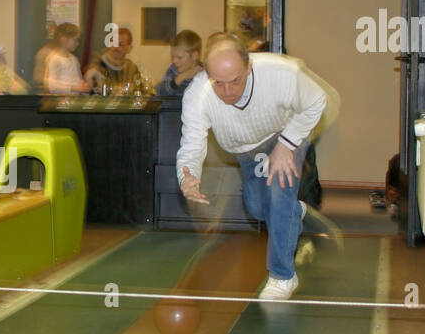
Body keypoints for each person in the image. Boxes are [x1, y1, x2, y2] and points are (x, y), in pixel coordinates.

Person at [176, 32, 337, 301]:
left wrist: (286, 145)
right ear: (207, 74)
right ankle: (293, 211)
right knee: (259, 208)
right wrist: (187, 176)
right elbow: (192, 144)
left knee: (278, 191)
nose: (228, 92)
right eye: (219, 83)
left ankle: (282, 277)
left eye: (235, 81)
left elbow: (317, 101)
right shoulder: (197, 94)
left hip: (286, 133)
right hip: (246, 150)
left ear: (249, 66)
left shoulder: (280, 73)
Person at [85, 27, 144, 93]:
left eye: (120, 44)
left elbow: (139, 90)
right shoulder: (97, 65)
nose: (115, 47)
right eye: (113, 42)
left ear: (129, 48)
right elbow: (91, 91)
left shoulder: (132, 68)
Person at [42, 23, 90, 95]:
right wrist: (75, 88)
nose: (77, 43)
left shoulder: (74, 59)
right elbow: (52, 87)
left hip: (74, 99)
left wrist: (84, 86)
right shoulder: (54, 59)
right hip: (61, 101)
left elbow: (79, 79)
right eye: (75, 40)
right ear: (63, 39)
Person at [156, 29, 202, 98]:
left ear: (194, 56)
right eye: (173, 56)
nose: (174, 61)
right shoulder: (173, 69)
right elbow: (159, 92)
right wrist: (181, 77)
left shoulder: (206, 74)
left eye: (179, 57)